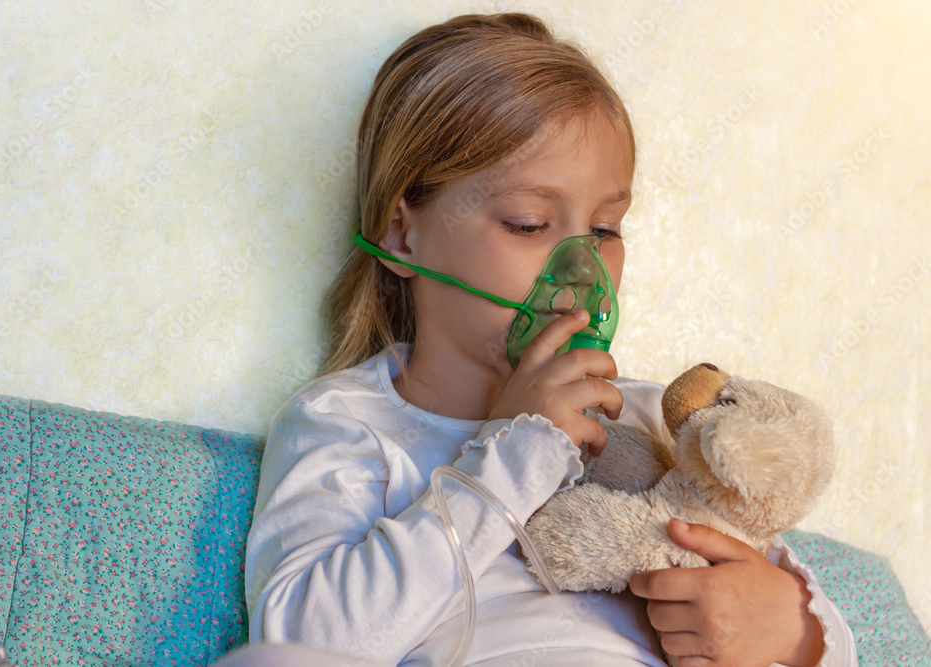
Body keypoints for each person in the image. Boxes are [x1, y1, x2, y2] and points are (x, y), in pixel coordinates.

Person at [236, 12, 858, 667]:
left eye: (605, 229)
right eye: (529, 224)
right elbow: (300, 642)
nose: (581, 268)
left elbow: (823, 636)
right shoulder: (348, 424)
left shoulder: (651, 420)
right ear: (402, 234)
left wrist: (797, 632)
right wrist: (511, 455)